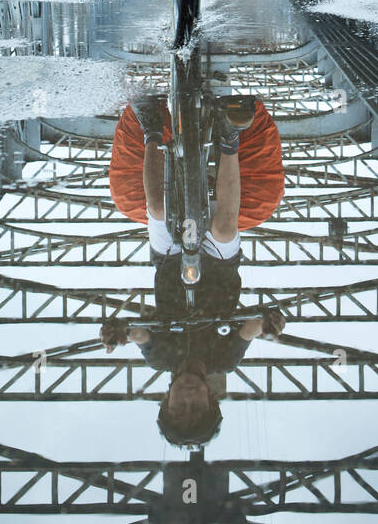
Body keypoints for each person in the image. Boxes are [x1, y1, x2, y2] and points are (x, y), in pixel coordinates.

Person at [101, 93, 286, 446]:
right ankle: (231, 138)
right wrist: (267, 323)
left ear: (165, 400)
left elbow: (139, 335)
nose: (187, 399)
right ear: (211, 400)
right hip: (219, 265)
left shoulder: (160, 359)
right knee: (225, 229)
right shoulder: (224, 359)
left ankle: (152, 130)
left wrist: (121, 334)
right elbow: (248, 330)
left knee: (156, 208)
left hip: (170, 260)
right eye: (196, 408)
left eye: (177, 408)